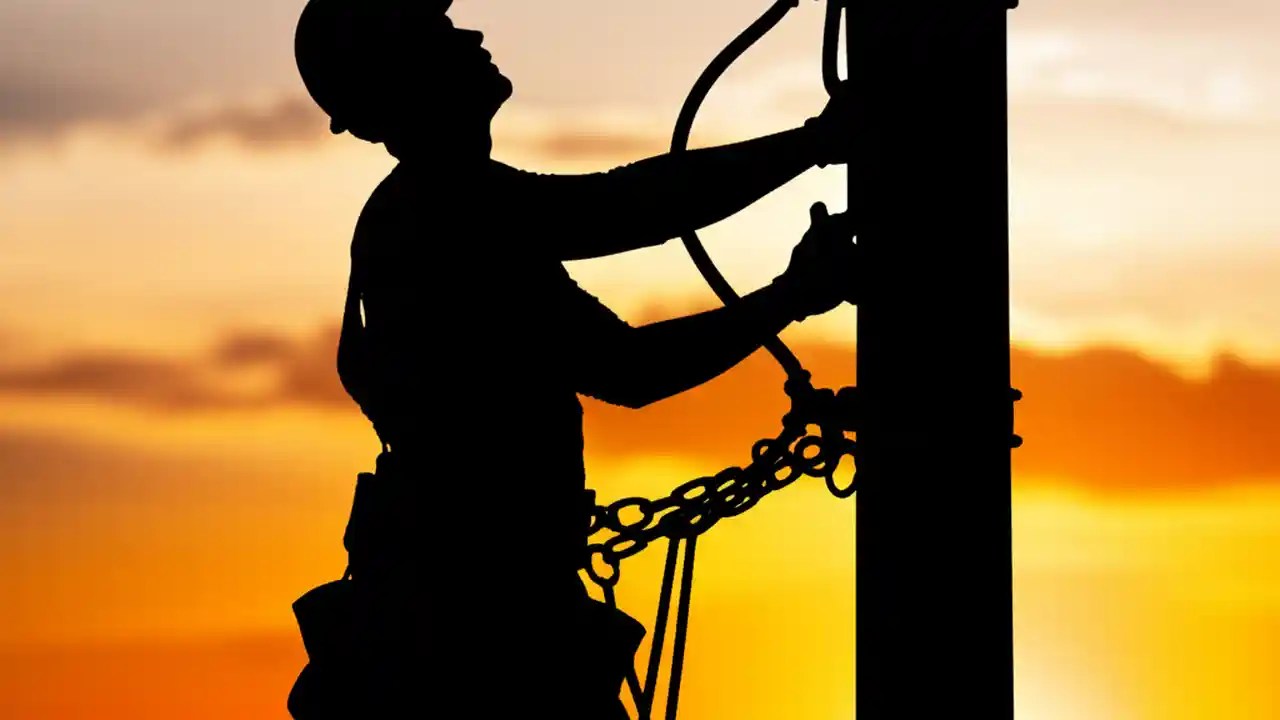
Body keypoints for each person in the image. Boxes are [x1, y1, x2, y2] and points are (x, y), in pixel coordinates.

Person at [286, 1, 860, 717]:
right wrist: (816, 149)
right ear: (407, 79)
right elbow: (624, 215)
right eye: (441, 33)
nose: (472, 34)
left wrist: (789, 291)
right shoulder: (441, 214)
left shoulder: (437, 221)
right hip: (472, 636)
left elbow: (625, 358)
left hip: (461, 615)